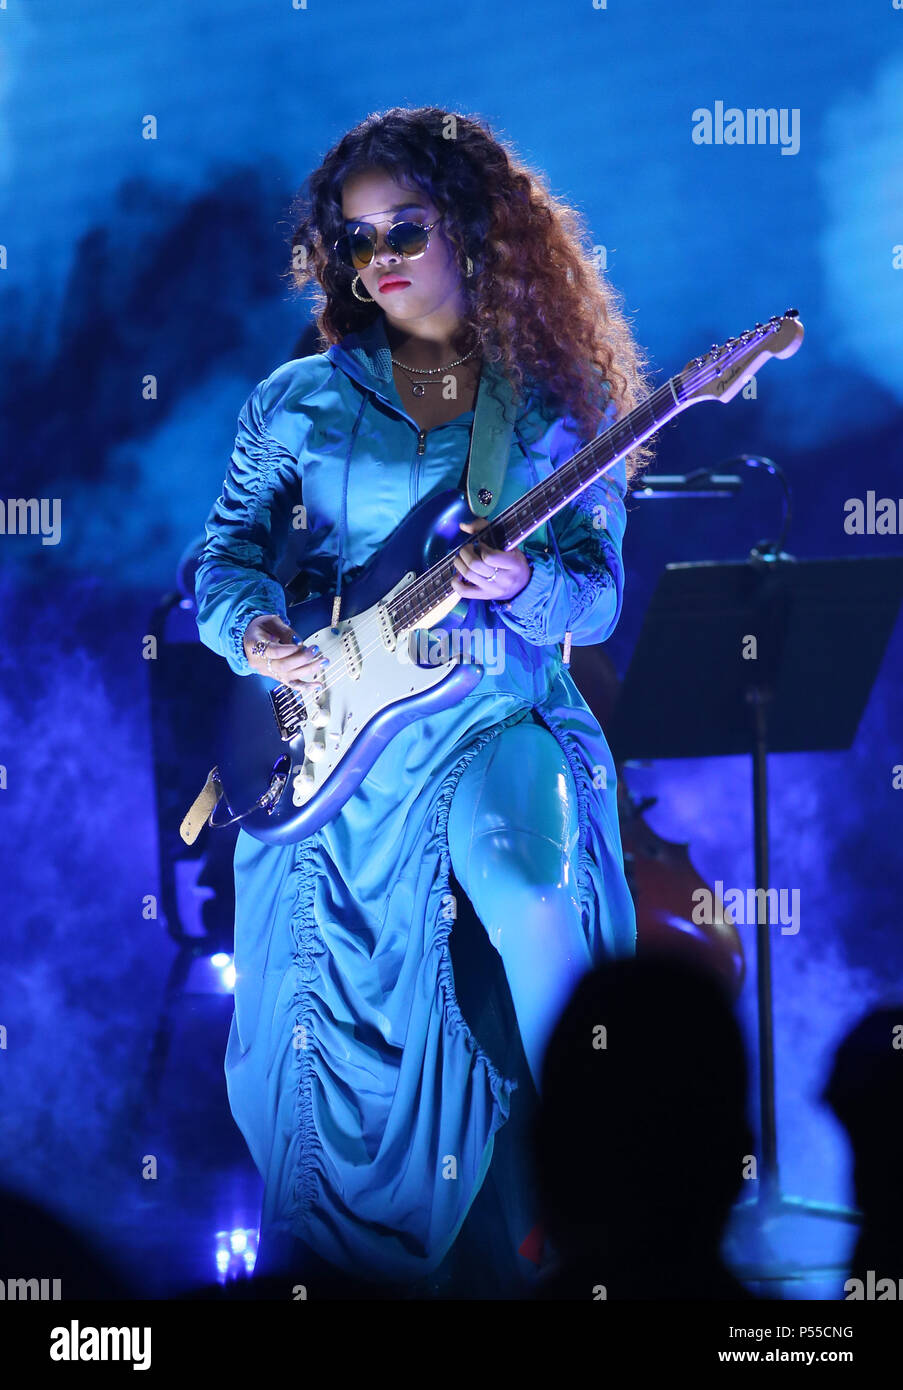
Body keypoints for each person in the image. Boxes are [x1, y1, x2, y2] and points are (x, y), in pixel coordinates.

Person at [194, 105, 650, 1292]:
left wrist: (527, 574)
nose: (380, 255)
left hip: (495, 712)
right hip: (340, 740)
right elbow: (223, 560)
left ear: (473, 229)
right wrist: (252, 630)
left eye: (406, 226)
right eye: (356, 238)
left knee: (530, 890)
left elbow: (596, 598)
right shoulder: (295, 398)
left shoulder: (553, 400)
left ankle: (626, 1194)